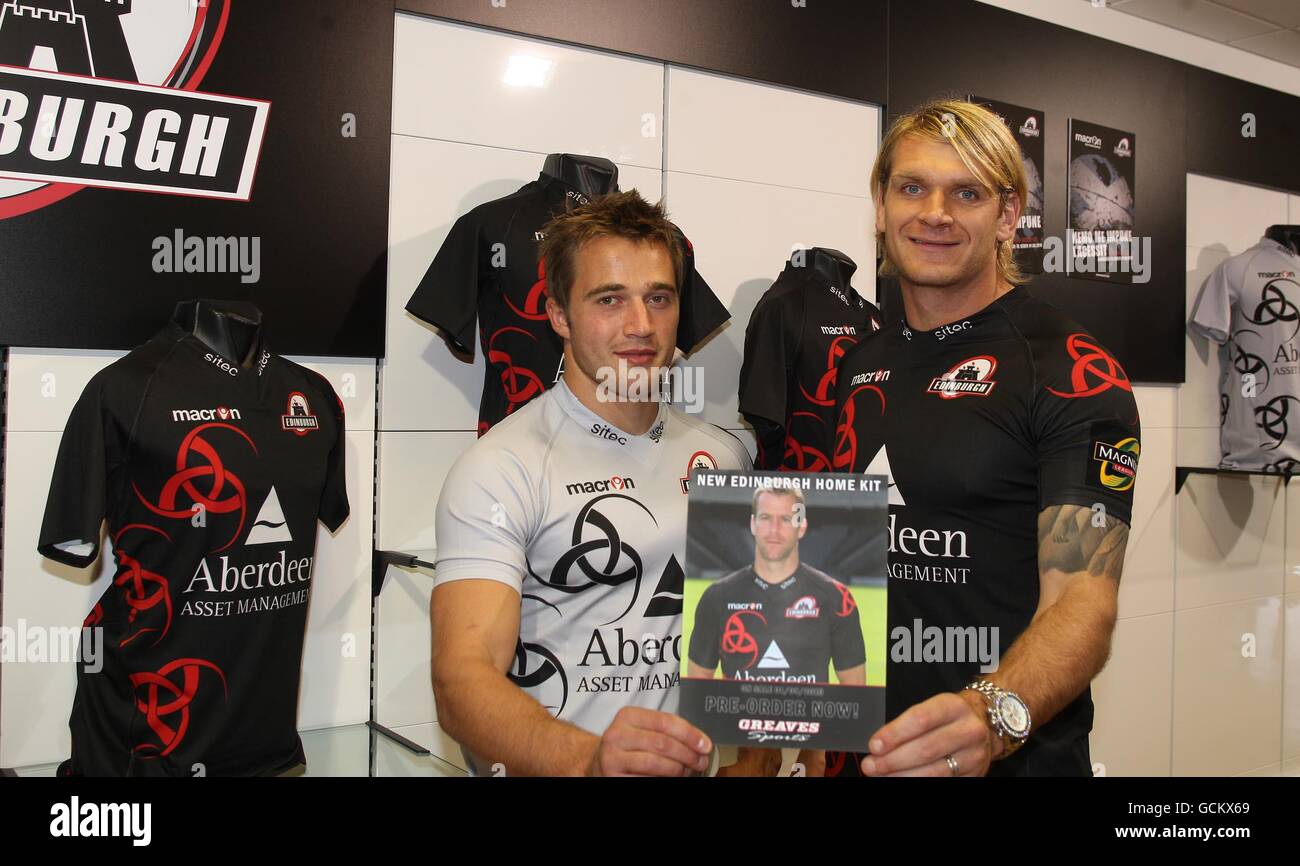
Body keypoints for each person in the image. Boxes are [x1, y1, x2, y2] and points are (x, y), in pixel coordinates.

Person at [832, 98, 1140, 777]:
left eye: (966, 192)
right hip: (868, 757)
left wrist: (990, 714)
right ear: (880, 205)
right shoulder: (860, 366)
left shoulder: (1071, 371)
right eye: (911, 186)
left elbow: (1083, 602)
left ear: (1007, 215)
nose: (934, 212)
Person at [429, 190, 755, 776]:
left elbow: (754, 636)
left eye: (660, 298)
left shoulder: (722, 457)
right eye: (610, 299)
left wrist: (761, 753)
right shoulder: (501, 468)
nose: (641, 326)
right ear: (559, 315)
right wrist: (592, 761)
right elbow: (461, 680)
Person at [686, 485, 866, 685]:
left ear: (802, 526)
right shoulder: (716, 597)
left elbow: (856, 695)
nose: (774, 530)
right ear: (753, 524)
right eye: (765, 518)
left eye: (785, 519)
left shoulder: (837, 599)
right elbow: (697, 690)